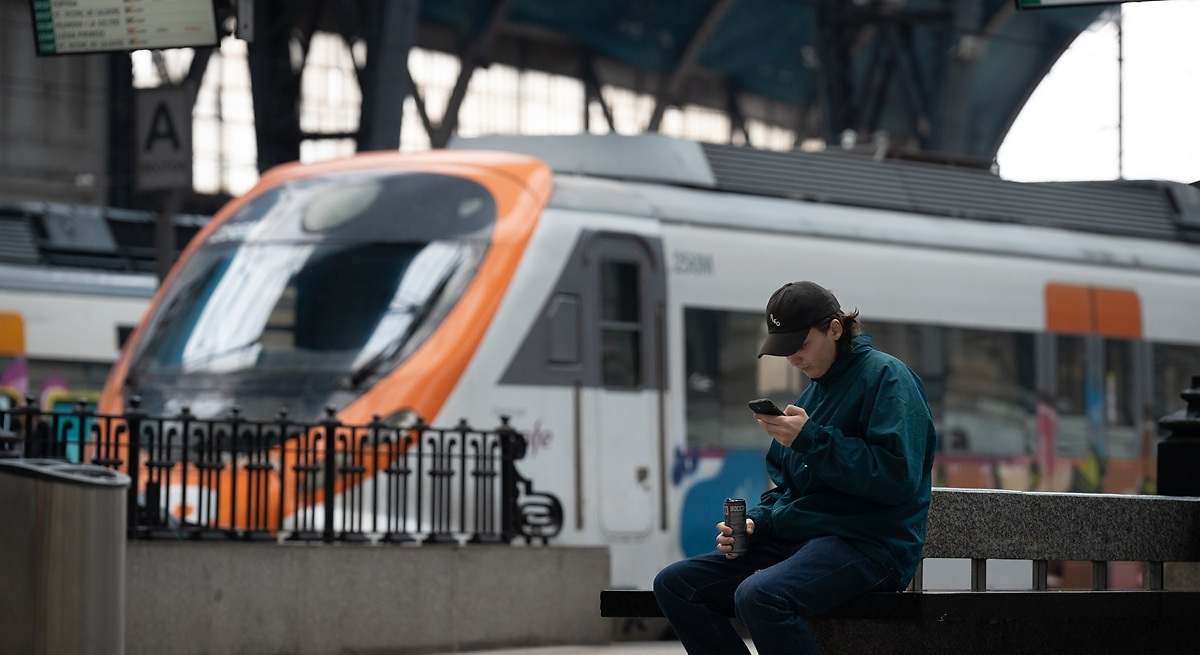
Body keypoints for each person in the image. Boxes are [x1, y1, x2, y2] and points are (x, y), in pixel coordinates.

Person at [653, 281, 937, 655]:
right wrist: (756, 522)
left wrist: (811, 439)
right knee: (675, 585)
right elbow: (789, 489)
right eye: (784, 349)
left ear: (834, 329)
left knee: (760, 596)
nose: (793, 359)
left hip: (870, 544)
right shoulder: (813, 393)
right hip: (806, 540)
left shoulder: (888, 378)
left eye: (800, 345)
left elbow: (895, 478)